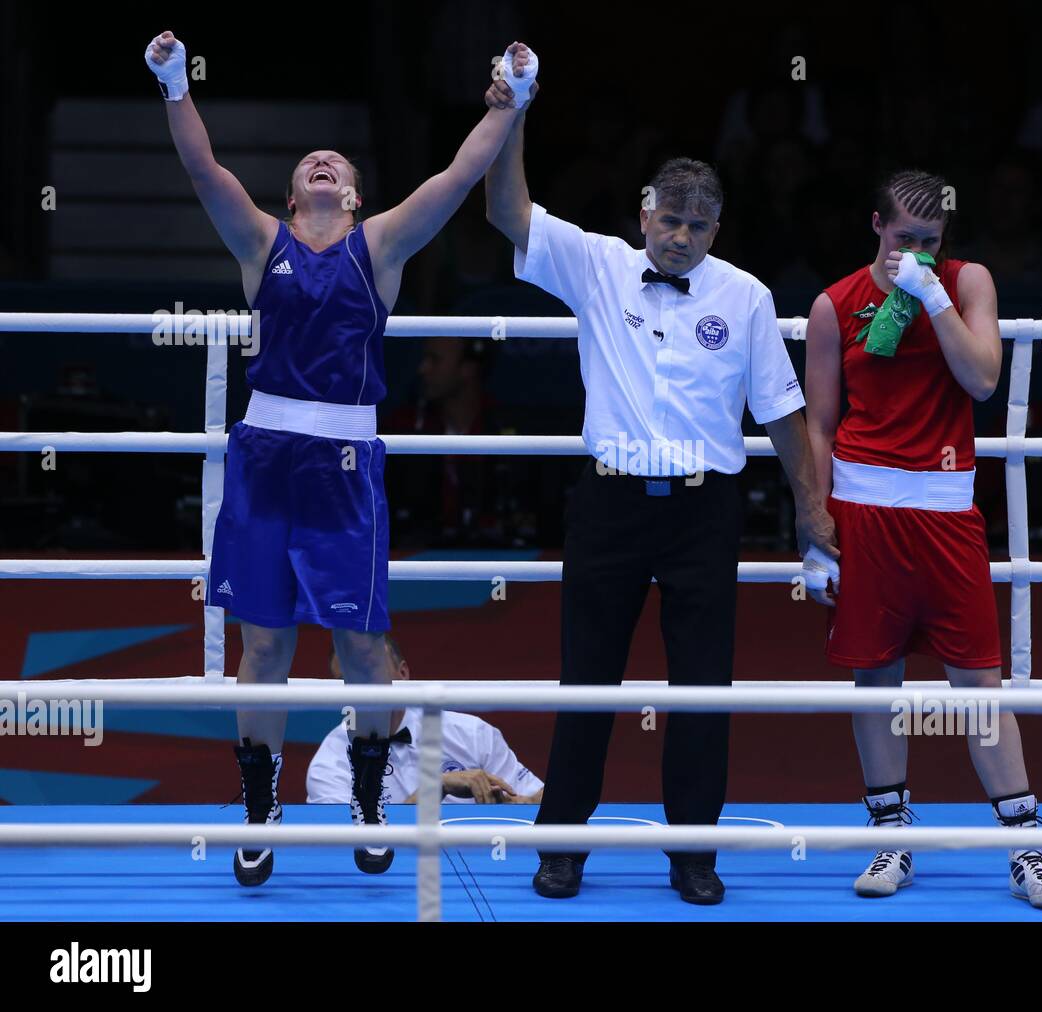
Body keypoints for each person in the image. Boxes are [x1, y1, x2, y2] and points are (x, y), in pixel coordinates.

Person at [145, 30, 539, 885]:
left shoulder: (382, 246)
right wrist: (176, 81)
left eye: (337, 163)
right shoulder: (260, 244)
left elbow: (459, 178)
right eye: (310, 162)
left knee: (363, 645)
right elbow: (204, 172)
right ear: (292, 196)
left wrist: (507, 103)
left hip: (347, 468)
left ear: (355, 197)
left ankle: (368, 795)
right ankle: (259, 807)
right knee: (264, 648)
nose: (323, 161)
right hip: (265, 458)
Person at [484, 55, 836, 905]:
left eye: (698, 226)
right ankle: (562, 847)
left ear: (718, 230)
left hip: (704, 513)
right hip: (608, 503)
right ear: (644, 213)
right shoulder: (598, 263)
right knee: (587, 681)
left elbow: (784, 415)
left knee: (703, 689)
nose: (680, 236)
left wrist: (812, 515)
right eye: (670, 219)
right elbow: (507, 211)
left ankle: (693, 856)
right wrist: (514, 113)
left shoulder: (746, 297)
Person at [803, 169, 1042, 910]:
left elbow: (984, 379)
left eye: (930, 241)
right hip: (862, 510)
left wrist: (934, 297)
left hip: (948, 511)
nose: (916, 253)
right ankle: (892, 835)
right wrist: (815, 532)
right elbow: (820, 426)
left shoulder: (968, 281)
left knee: (980, 686)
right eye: (903, 241)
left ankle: (1025, 845)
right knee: (875, 679)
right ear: (875, 226)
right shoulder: (835, 305)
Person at [307, 634, 543, 806]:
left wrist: (521, 804)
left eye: (369, 671)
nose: (360, 686)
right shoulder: (329, 765)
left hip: (482, 863)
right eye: (346, 678)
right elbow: (357, 853)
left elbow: (537, 796)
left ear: (403, 674)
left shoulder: (471, 733)